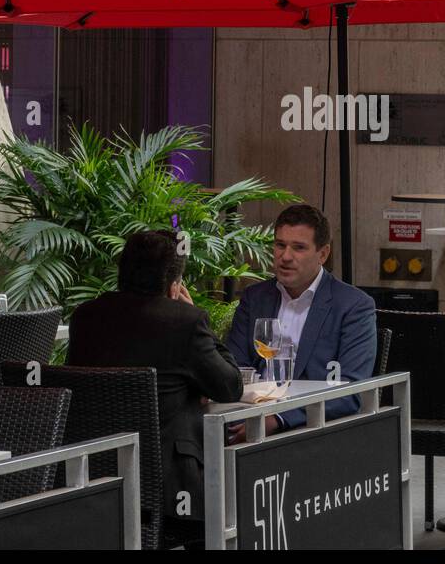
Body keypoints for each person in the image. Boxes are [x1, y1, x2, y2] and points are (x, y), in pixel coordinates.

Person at [67, 230, 243, 524]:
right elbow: (230, 386)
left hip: (94, 482)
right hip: (169, 490)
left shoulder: (86, 317)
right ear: (174, 287)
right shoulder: (184, 321)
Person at [226, 204, 376, 438]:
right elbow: (234, 367)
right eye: (280, 245)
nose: (285, 257)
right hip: (246, 418)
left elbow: (351, 392)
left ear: (323, 254)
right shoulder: (255, 298)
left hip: (311, 429)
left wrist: (279, 419)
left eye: (298, 248)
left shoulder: (353, 306)